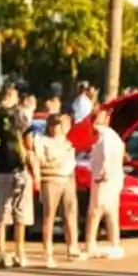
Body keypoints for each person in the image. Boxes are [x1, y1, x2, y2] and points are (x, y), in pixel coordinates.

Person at [0, 84, 34, 269]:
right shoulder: (2, 116)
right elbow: (28, 141)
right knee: (7, 213)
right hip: (8, 169)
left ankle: (12, 253)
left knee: (10, 213)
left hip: (11, 169)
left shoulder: (4, 116)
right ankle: (7, 253)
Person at [36, 113, 80, 266]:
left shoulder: (68, 143)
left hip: (68, 180)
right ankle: (47, 250)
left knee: (70, 214)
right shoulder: (42, 141)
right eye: (54, 125)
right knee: (49, 216)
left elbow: (72, 163)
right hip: (51, 180)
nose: (57, 128)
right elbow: (41, 160)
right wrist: (53, 163)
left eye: (60, 125)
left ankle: (72, 246)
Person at [86, 106, 126, 259]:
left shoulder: (102, 135)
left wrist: (104, 172)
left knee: (95, 212)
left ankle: (90, 244)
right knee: (112, 212)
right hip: (114, 178)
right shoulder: (114, 135)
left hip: (103, 178)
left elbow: (106, 155)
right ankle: (115, 243)